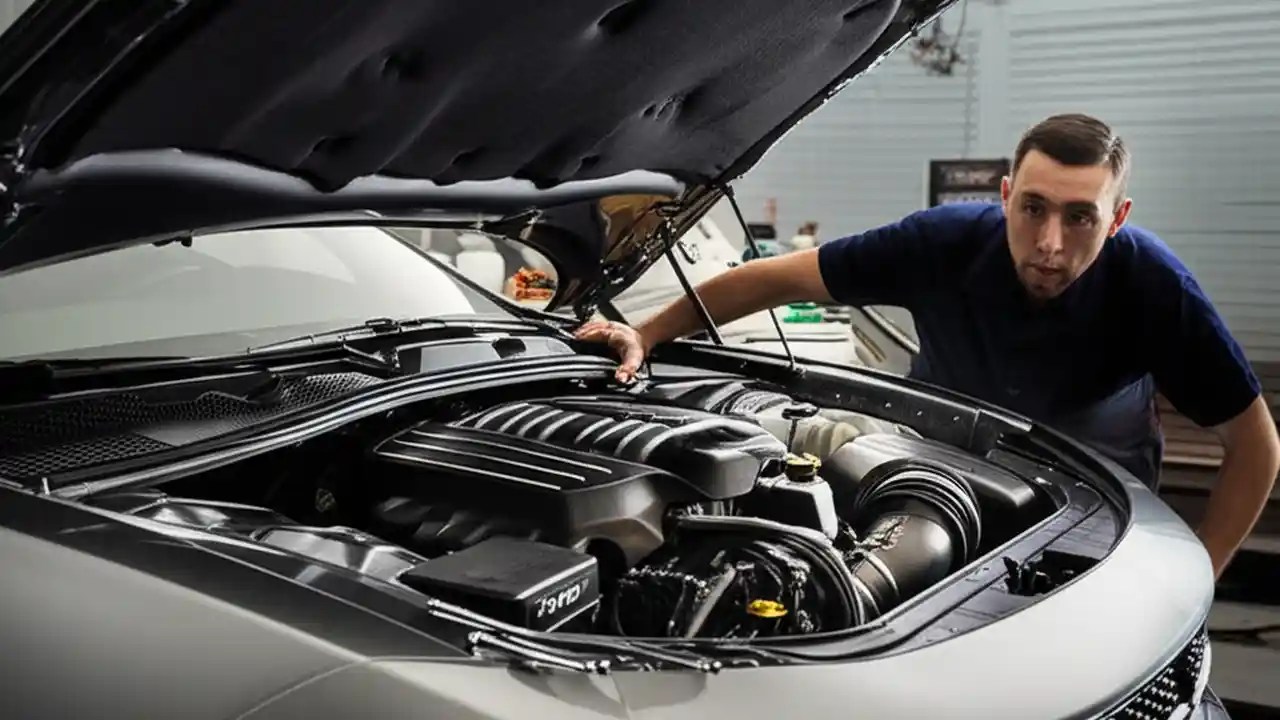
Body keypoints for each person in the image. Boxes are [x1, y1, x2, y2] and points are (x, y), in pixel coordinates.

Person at [575, 112, 1280, 579]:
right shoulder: (943, 243)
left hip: (1095, 505)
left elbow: (1255, 446)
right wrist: (647, 331)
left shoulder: (1155, 287)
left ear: (1118, 217)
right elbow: (775, 279)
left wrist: (1200, 575)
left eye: (1080, 218)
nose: (1049, 242)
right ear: (1005, 195)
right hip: (943, 479)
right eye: (1032, 208)